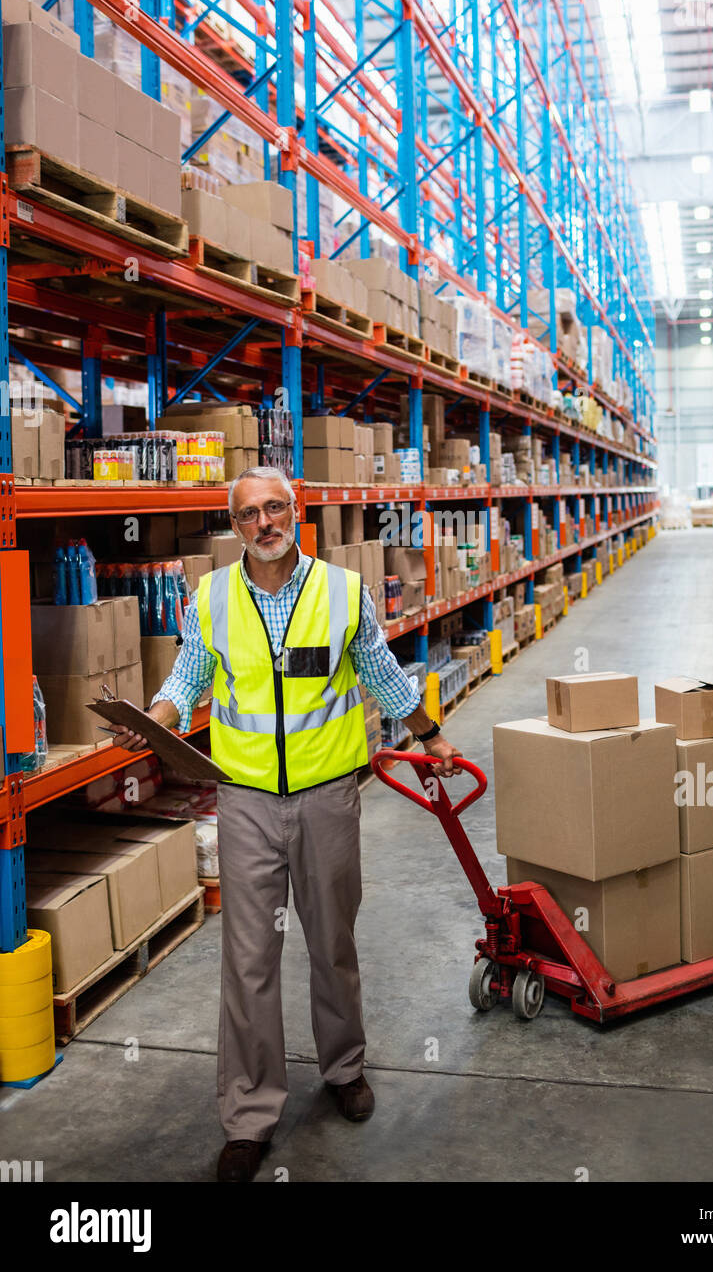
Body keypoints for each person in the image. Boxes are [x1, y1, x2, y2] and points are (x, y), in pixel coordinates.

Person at [110, 466, 460, 1182]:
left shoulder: (341, 592)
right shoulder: (211, 597)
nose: (263, 522)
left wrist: (430, 735)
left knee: (332, 942)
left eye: (275, 508)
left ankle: (343, 1069)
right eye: (247, 515)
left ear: (296, 512)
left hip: (328, 795)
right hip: (242, 800)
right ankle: (248, 1113)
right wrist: (154, 720)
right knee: (247, 961)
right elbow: (189, 676)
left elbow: (382, 673)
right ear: (233, 526)